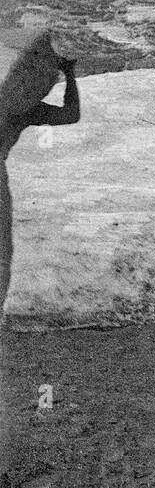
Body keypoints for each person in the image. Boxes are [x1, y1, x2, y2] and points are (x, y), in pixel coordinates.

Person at [1, 52, 80, 315]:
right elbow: (71, 114)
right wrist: (68, 74)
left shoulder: (19, 108)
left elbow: (70, 115)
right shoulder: (22, 109)